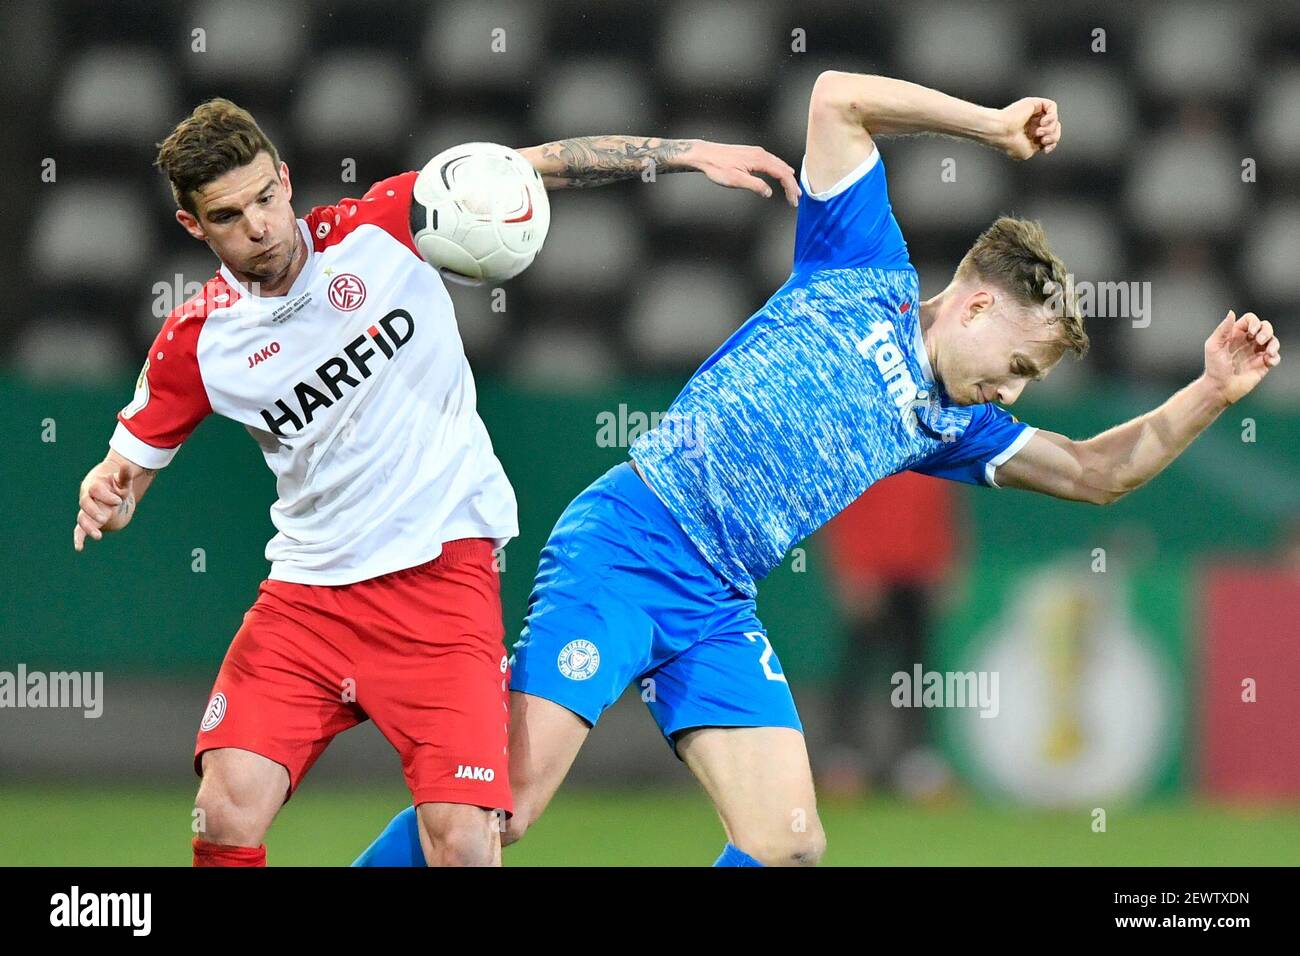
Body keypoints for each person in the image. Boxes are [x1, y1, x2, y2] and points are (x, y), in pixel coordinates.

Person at [357, 70, 1280, 867]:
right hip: (631, 546)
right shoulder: (862, 265)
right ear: (974, 306)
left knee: (789, 839)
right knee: (500, 812)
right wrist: (992, 125)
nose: (1015, 393)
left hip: (716, 600)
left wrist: (1210, 392)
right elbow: (837, 98)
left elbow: (1093, 474)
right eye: (1022, 365)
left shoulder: (945, 425)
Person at [71, 97, 799, 867]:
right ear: (194, 226)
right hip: (307, 598)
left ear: (285, 181)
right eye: (227, 215)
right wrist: (109, 497)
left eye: (265, 197)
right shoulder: (197, 342)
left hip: (439, 585)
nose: (258, 225)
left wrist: (686, 155)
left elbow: (533, 166)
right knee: (224, 812)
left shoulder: (382, 224)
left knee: (466, 840)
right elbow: (126, 470)